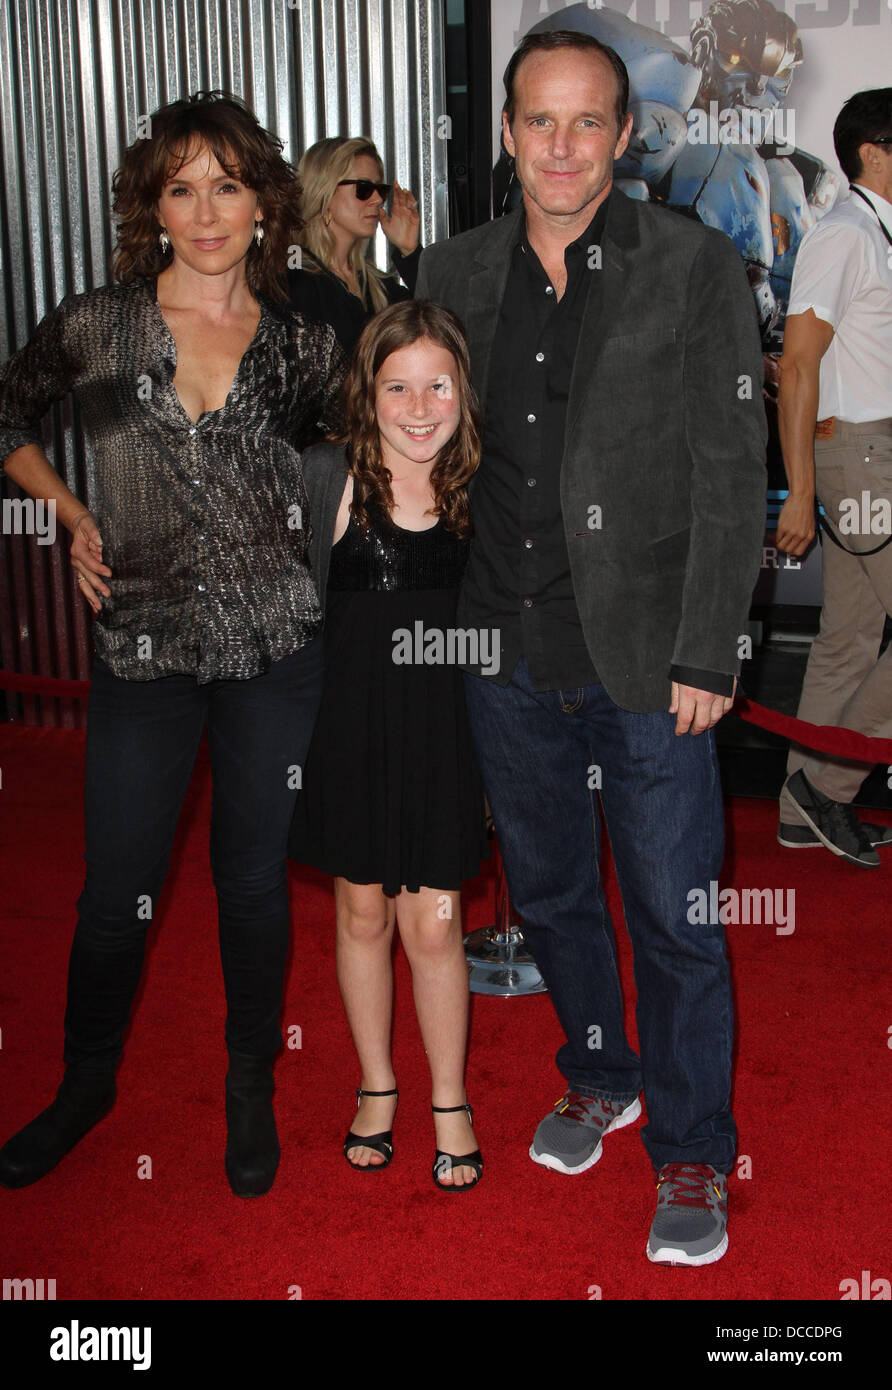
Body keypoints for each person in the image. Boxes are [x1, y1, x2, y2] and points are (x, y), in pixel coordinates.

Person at [416, 30, 766, 1260]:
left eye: (587, 123)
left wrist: (711, 651)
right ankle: (600, 1071)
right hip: (500, 649)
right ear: (505, 133)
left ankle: (691, 1148)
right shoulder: (450, 270)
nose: (560, 148)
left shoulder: (690, 264)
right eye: (537, 122)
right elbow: (419, 444)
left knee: (675, 913)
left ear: (625, 135)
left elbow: (734, 472)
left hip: (648, 657)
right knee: (554, 894)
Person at [0, 91, 345, 1197]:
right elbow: (7, 412)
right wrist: (66, 506)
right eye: (180, 187)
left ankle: (251, 1083)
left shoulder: (302, 338)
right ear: (152, 204)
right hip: (140, 647)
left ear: (263, 205)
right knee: (116, 890)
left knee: (250, 885)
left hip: (274, 648)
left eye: (227, 186)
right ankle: (84, 1085)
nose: (204, 211)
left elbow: (379, 443)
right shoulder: (96, 323)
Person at [290, 300, 489, 1190]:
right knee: (363, 913)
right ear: (367, 395)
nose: (418, 406)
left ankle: (451, 1097)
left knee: (436, 923)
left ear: (463, 392)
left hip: (445, 735)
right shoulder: (327, 477)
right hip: (350, 731)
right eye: (397, 386)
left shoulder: (483, 483)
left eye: (437, 385)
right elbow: (284, 610)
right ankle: (378, 1084)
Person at [775, 89, 892, 866]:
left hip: (871, 452)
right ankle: (830, 786)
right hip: (864, 458)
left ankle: (796, 807)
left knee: (848, 640)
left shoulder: (871, 235)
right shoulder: (846, 234)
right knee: (850, 638)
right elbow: (797, 366)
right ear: (876, 151)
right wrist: (804, 488)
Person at [287, 136, 421, 356]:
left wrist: (410, 251)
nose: (377, 199)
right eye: (364, 188)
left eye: (381, 189)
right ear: (325, 193)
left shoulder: (378, 286)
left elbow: (437, 330)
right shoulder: (295, 280)